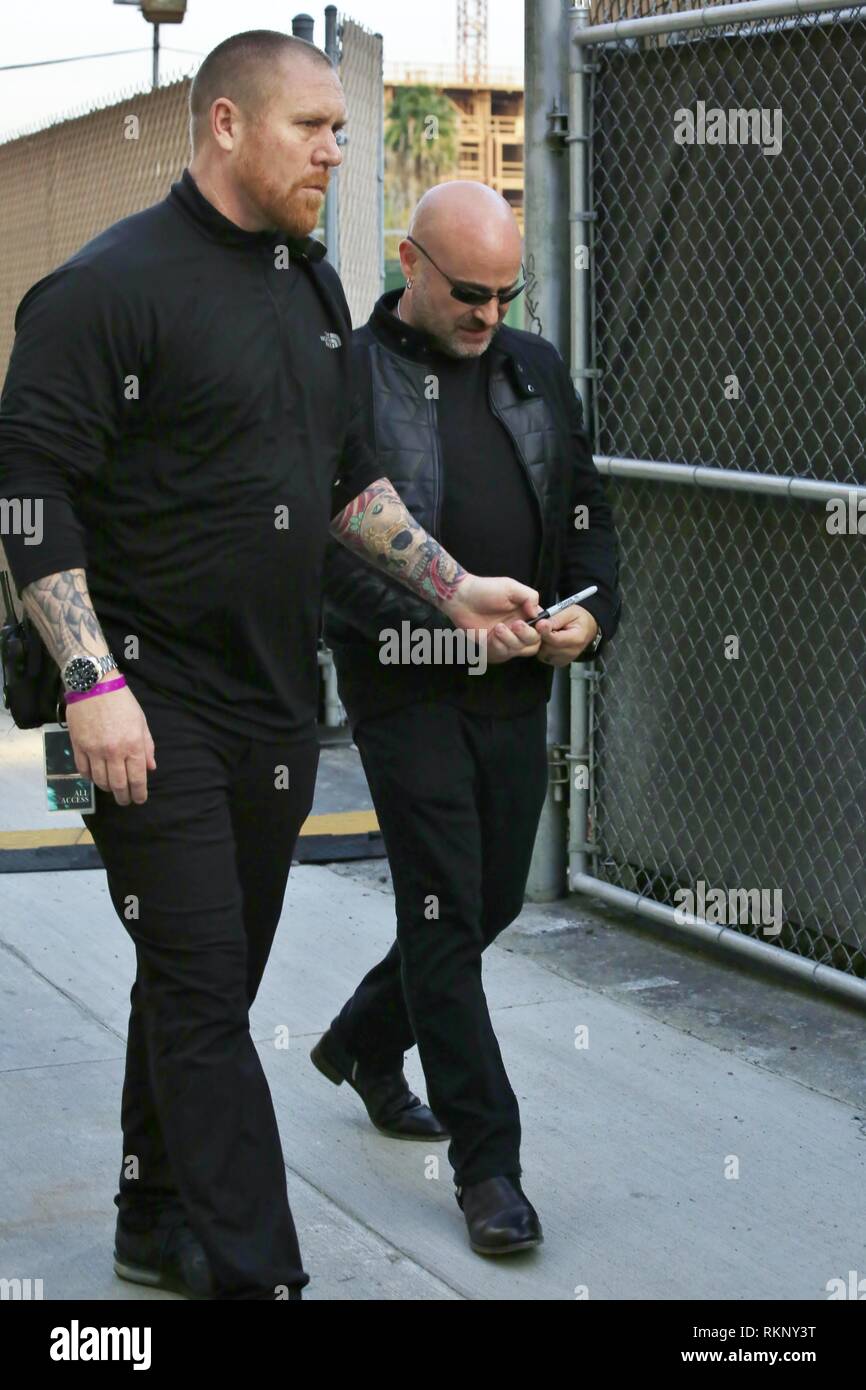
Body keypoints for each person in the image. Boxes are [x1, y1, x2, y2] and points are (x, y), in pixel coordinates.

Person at [0, 36, 538, 1300]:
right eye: (312, 127)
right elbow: (27, 497)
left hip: (276, 699)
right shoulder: (102, 289)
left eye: (340, 132)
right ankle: (262, 1277)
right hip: (143, 700)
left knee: (209, 975)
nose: (334, 152)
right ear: (227, 124)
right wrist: (89, 682)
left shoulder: (306, 282)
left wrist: (455, 591)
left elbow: (343, 475)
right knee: (201, 989)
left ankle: (152, 1216)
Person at [316, 181, 622, 1256]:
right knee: (445, 905)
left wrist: (592, 616)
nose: (488, 312)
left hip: (516, 684)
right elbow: (326, 559)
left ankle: (361, 1036)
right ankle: (488, 1168)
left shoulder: (533, 368)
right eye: (467, 291)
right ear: (409, 261)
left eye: (505, 292)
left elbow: (584, 514)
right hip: (404, 684)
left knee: (486, 899)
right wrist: (448, 625)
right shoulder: (345, 376)